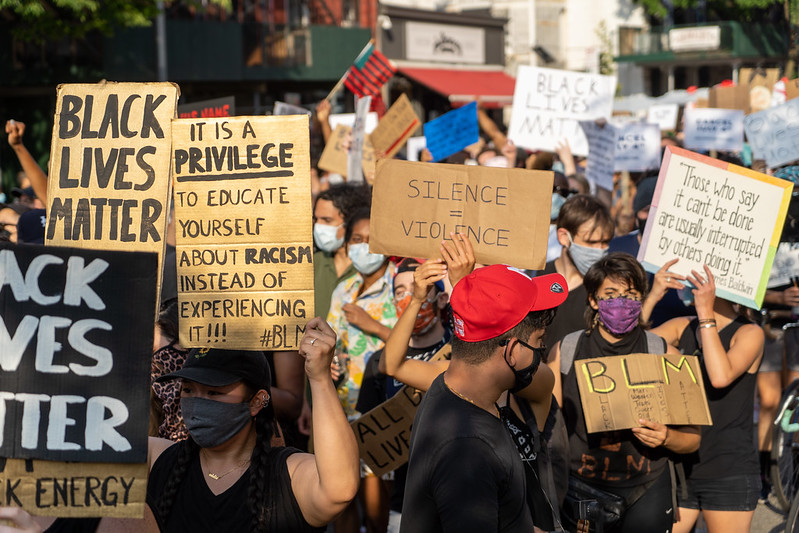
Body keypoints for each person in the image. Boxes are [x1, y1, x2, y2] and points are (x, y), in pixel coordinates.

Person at [148, 318, 360, 531]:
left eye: (214, 392)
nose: (198, 402)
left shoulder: (287, 475)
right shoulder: (158, 459)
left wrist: (320, 378)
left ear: (257, 402)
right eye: (188, 390)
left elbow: (339, 489)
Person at [401, 263, 568, 532]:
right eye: (539, 341)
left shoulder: (450, 390)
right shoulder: (468, 450)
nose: (541, 351)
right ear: (512, 351)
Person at [548, 252, 701, 533]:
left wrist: (666, 437)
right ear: (593, 300)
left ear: (642, 299)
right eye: (610, 294)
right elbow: (550, 429)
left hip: (647, 489)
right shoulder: (565, 351)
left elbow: (692, 440)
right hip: (582, 488)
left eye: (630, 295)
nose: (621, 302)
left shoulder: (666, 354)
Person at [649, 264, 764, 533]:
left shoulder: (750, 333)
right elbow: (629, 346)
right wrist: (653, 296)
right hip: (681, 465)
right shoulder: (682, 326)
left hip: (728, 468)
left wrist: (705, 313)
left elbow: (720, 376)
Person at [541, 193, 614, 351]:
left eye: (605, 242)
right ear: (564, 237)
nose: (600, 250)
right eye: (591, 242)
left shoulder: (609, 287)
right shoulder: (537, 277)